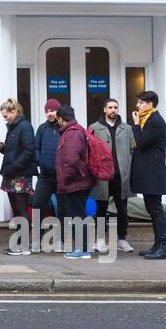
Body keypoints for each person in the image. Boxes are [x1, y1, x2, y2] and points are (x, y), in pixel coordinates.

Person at [90, 99, 135, 254]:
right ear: (104, 109)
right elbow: (90, 152)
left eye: (116, 107)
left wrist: (129, 168)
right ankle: (100, 240)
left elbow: (132, 150)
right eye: (110, 107)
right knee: (101, 208)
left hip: (121, 176)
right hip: (103, 176)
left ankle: (122, 239)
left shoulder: (127, 128)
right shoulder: (95, 128)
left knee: (122, 208)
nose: (113, 110)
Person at [131, 91, 166, 260]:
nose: (137, 106)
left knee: (156, 209)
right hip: (148, 172)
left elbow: (141, 143)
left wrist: (135, 124)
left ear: (149, 104)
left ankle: (163, 247)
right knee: (152, 209)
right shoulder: (149, 119)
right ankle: (157, 245)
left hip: (153, 173)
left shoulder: (155, 121)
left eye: (140, 103)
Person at [0, 99, 36, 256]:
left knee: (21, 209)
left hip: (20, 174)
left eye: (6, 115)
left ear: (14, 112)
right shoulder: (13, 127)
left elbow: (28, 150)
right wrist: (3, 148)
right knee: (17, 209)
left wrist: (14, 166)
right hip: (12, 173)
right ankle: (21, 244)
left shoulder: (24, 126)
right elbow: (15, 150)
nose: (5, 118)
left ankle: (24, 245)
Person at [54, 105, 95, 259]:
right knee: (79, 215)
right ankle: (82, 248)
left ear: (60, 118)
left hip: (75, 183)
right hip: (79, 181)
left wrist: (65, 180)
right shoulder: (75, 131)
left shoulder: (72, 133)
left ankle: (82, 249)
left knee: (77, 216)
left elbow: (71, 160)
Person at [33, 99, 61, 237]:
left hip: (62, 177)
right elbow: (36, 148)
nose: (50, 114)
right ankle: (38, 238)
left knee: (63, 209)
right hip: (45, 176)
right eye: (47, 111)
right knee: (38, 205)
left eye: (53, 110)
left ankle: (62, 239)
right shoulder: (42, 128)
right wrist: (40, 161)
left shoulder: (64, 128)